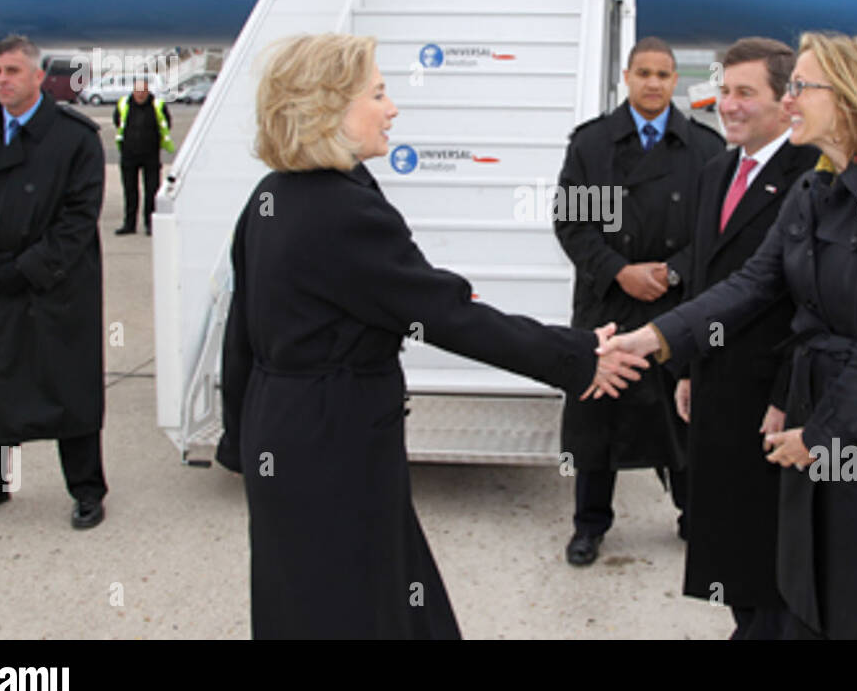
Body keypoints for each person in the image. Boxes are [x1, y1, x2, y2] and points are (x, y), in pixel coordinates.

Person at [213, 33, 647, 639]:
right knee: (358, 600)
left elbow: (243, 336)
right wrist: (577, 357)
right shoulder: (342, 212)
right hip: (332, 437)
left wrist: (241, 439)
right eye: (379, 93)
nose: (393, 108)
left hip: (284, 431)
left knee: (315, 592)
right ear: (327, 107)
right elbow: (448, 314)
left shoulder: (272, 196)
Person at [600, 32, 857, 639]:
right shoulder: (812, 192)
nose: (791, 101)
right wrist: (654, 339)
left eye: (802, 88)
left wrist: (823, 437)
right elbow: (749, 286)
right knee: (808, 597)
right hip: (814, 419)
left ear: (850, 99)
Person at [553, 36, 724, 567]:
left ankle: (695, 516)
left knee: (685, 413)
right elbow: (574, 224)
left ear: (676, 81)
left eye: (663, 74)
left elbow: (718, 233)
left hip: (678, 303)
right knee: (597, 416)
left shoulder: (705, 148)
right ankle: (589, 524)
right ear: (626, 77)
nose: (653, 82)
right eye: (643, 73)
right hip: (610, 303)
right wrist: (620, 271)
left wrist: (672, 272)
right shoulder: (593, 145)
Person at [673, 37, 818, 639]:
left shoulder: (810, 178)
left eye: (744, 93)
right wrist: (684, 365)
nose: (727, 105)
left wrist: (788, 393)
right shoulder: (715, 171)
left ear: (786, 101)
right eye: (724, 91)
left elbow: (812, 302)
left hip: (772, 397)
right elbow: (704, 280)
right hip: (715, 386)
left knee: (770, 548)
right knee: (728, 540)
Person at [0, 35, 108, 530]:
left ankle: (86, 491)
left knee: (68, 390)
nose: (1, 80)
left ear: (37, 77)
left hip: (51, 289)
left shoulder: (74, 139)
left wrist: (27, 269)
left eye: (12, 71)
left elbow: (78, 217)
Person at [113, 78, 174, 235]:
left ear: (148, 91)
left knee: (151, 191)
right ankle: (129, 224)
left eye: (143, 92)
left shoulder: (157, 105)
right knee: (130, 191)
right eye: (137, 92)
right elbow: (117, 122)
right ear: (133, 91)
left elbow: (166, 123)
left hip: (151, 155)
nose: (140, 95)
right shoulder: (124, 105)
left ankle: (150, 224)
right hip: (129, 155)